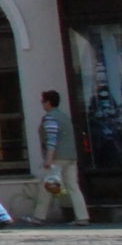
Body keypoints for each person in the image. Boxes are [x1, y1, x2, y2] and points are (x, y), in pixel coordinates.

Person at [31, 90, 91, 226]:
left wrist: (48, 158)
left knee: (46, 186)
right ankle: (82, 216)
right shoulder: (64, 116)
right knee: (73, 187)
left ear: (48, 102)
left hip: (57, 157)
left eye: (43, 101)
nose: (42, 104)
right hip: (71, 156)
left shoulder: (50, 118)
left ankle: (39, 217)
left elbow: (52, 139)